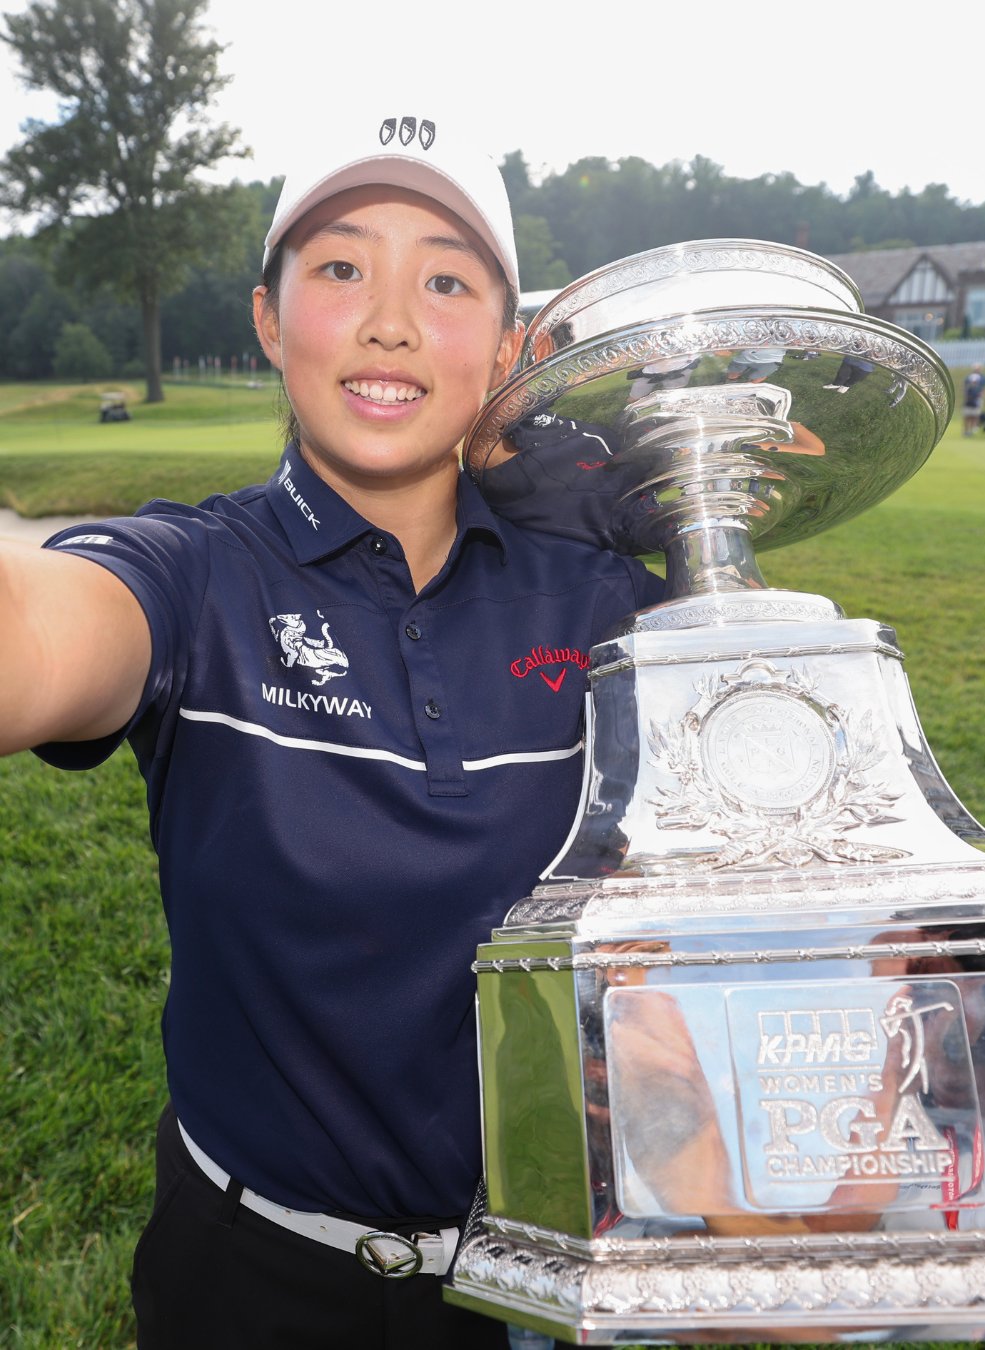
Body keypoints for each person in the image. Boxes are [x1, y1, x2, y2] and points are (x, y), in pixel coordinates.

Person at [0, 112, 661, 1349]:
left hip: (560, 1289)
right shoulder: (197, 574)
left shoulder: (605, 591)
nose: (390, 321)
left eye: (448, 280)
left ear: (512, 347)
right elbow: (39, 631)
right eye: (343, 267)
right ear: (269, 318)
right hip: (252, 1279)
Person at [961, 363, 985, 436]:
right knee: (967, 415)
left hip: (977, 399)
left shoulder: (982, 378)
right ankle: (966, 430)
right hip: (968, 400)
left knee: (975, 415)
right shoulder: (969, 377)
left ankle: (971, 430)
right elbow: (965, 388)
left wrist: (982, 395)